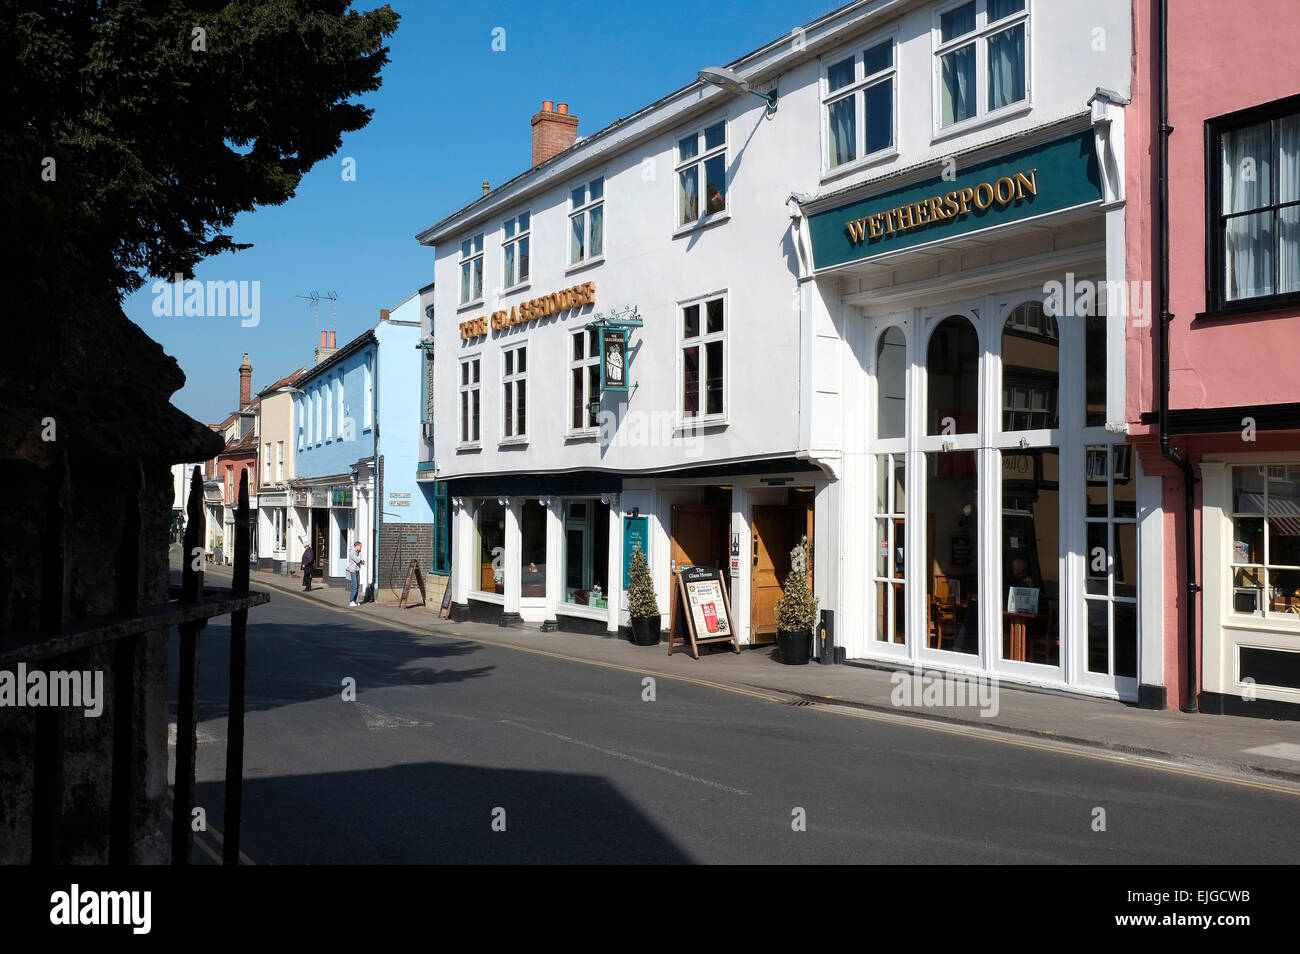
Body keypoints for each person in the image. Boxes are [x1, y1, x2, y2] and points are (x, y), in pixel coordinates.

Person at [347, 541, 364, 607]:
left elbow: (359, 561)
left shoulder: (357, 552)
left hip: (357, 570)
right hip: (353, 570)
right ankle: (351, 601)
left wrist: (361, 561)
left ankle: (354, 601)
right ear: (357, 546)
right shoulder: (352, 552)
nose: (361, 548)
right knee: (354, 586)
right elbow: (357, 560)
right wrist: (360, 555)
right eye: (360, 547)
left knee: (357, 586)